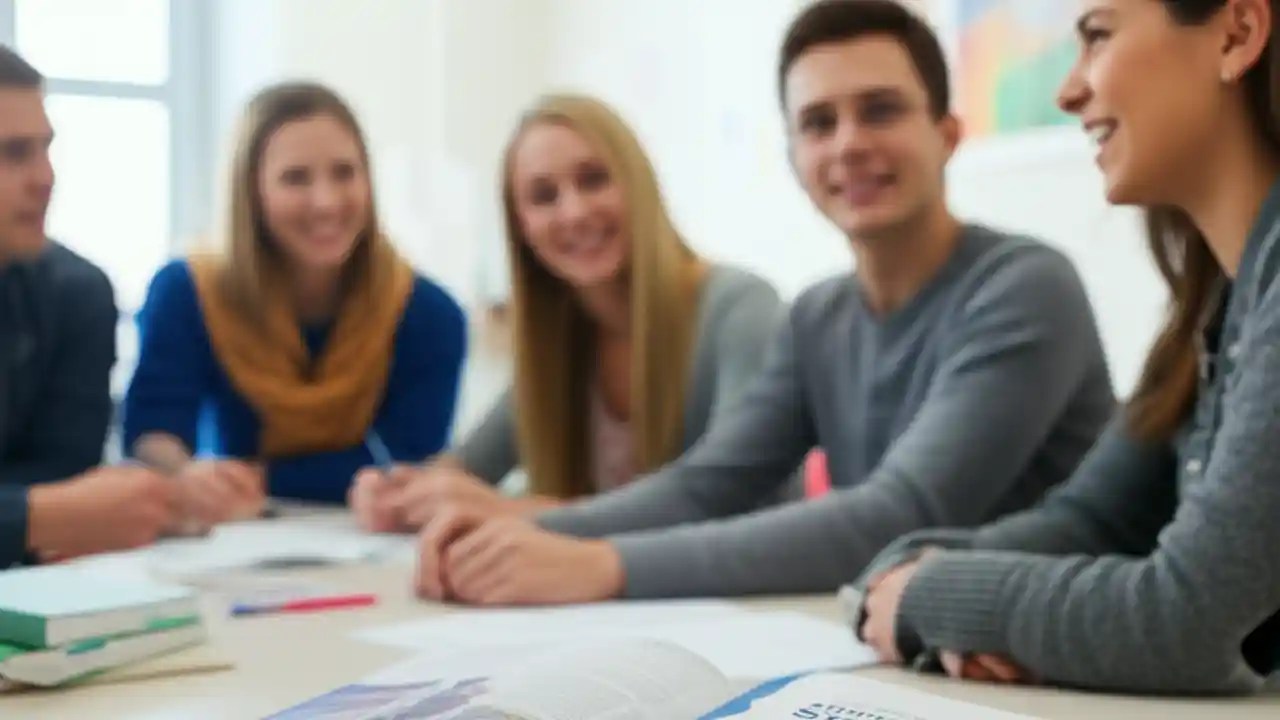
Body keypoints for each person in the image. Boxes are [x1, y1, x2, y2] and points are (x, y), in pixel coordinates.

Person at [411, 0, 1116, 606]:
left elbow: (899, 516)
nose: (848, 144)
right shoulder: (818, 316)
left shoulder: (1024, 286)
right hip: (906, 650)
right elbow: (706, 485)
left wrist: (603, 565)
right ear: (793, 157)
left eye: (880, 110)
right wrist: (523, 535)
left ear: (947, 134)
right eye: (817, 123)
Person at [853, 0, 1280, 695]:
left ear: (1235, 35)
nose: (1068, 89)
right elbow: (1091, 521)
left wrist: (936, 603)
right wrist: (904, 580)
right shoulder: (1216, 304)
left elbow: (1188, 620)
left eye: (1098, 37)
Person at [350, 94, 784, 532]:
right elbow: (464, 472)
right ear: (521, 227)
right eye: (543, 196)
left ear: (638, 183)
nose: (573, 212)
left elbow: (728, 501)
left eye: (594, 180)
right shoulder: (560, 341)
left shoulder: (742, 310)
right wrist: (401, 494)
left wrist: (511, 511)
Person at [122, 82, 467, 528]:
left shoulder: (430, 315)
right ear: (251, 193)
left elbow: (408, 462)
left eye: (344, 173)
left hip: (370, 541)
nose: (325, 202)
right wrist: (186, 476)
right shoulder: (186, 291)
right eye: (295, 178)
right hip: (223, 534)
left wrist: (258, 479)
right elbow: (151, 434)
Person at [0, 44, 175, 566]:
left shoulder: (79, 294)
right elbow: (66, 507)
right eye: (12, 153)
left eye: (45, 148)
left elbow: (72, 482)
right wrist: (34, 518)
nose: (45, 177)